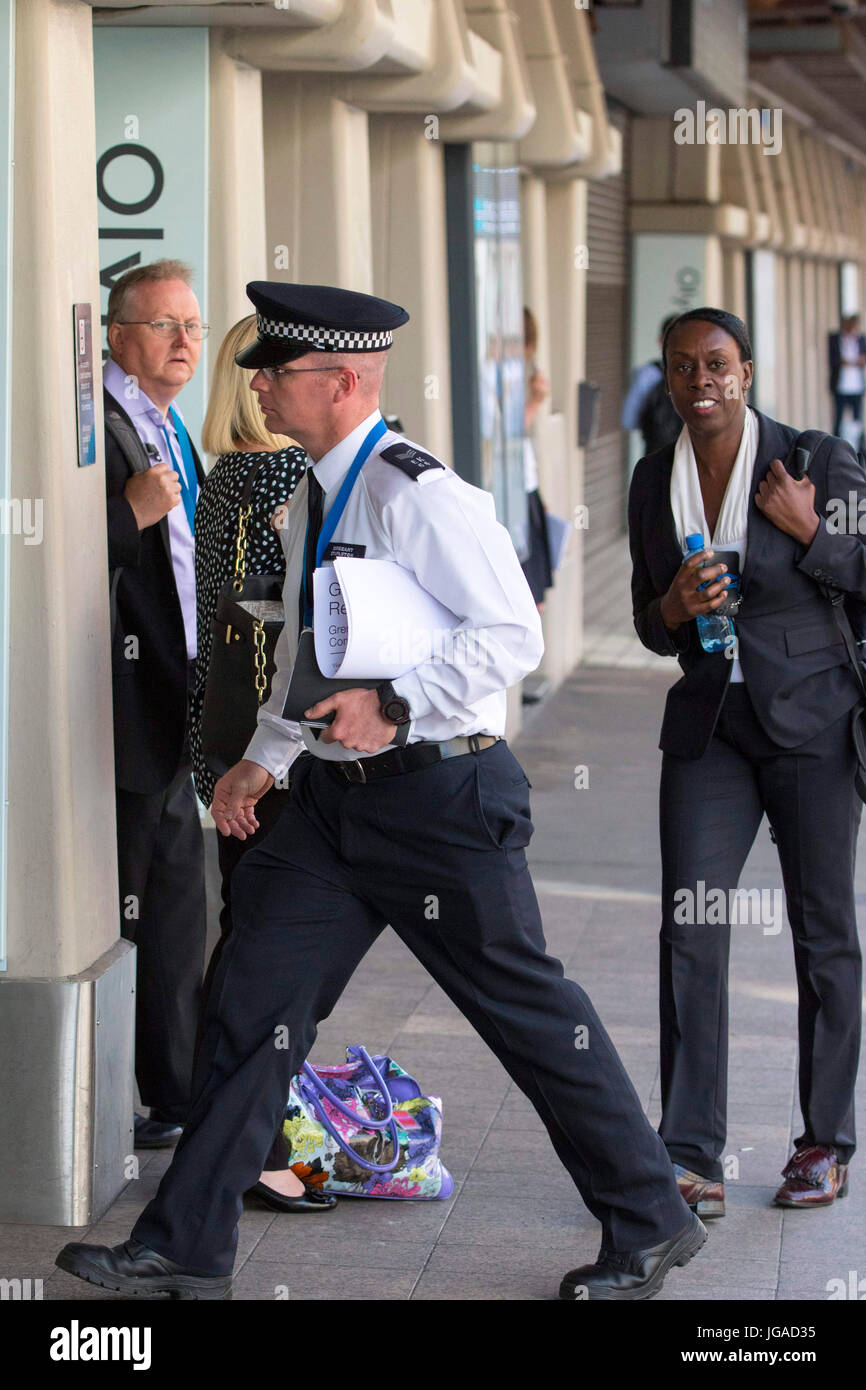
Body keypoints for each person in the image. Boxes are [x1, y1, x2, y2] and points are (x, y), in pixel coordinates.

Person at [58, 281, 702, 1302]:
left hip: (439, 801)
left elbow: (510, 634)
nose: (259, 382)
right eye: (261, 367)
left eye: (279, 370)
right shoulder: (314, 487)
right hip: (327, 806)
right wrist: (263, 756)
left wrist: (397, 705)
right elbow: (312, 658)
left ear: (344, 381)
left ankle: (649, 1217)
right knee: (249, 1005)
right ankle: (185, 1242)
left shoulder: (417, 492)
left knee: (529, 1016)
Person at [629, 306, 865, 1221]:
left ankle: (824, 1143)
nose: (702, 381)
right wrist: (677, 607)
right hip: (711, 729)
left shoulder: (814, 460)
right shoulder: (655, 479)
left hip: (812, 724)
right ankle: (690, 1152)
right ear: (670, 377)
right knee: (690, 930)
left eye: (718, 363)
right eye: (684, 367)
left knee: (825, 934)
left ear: (748, 371)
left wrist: (812, 532)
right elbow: (651, 625)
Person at [191, 316, 328, 1212]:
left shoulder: (221, 477)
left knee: (249, 933)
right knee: (270, 949)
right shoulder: (282, 471)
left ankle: (237, 1129)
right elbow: (287, 611)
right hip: (270, 739)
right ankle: (257, 1141)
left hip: (225, 729)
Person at [103, 259, 209, 1149]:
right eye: (166, 324)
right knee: (131, 905)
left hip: (177, 702)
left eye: (193, 326)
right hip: (121, 708)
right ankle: (125, 1098)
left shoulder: (169, 425)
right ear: (119, 335)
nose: (185, 342)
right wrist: (125, 515)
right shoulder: (98, 424)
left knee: (177, 904)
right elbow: (39, 553)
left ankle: (178, 1097)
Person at [520, 307, 553, 610]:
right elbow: (501, 437)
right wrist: (534, 403)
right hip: (508, 492)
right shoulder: (491, 373)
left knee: (534, 596)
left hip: (525, 488)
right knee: (528, 596)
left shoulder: (515, 372)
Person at [622, 315, 682, 457]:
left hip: (656, 457)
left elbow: (628, 420)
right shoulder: (701, 376)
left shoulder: (647, 374)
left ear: (660, 341)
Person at [828, 314, 866, 446]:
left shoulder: (860, 339)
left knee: (857, 420)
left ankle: (860, 449)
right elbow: (834, 360)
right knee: (838, 420)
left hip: (856, 386)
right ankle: (835, 446)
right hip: (840, 386)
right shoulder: (835, 338)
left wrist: (852, 361)